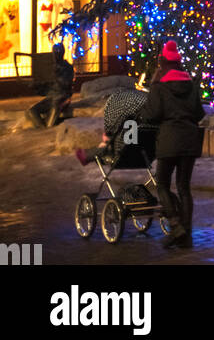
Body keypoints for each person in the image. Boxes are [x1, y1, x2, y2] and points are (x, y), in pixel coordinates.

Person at [139, 40, 205, 249]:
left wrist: (153, 90)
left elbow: (151, 115)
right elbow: (199, 113)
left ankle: (176, 227)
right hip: (190, 140)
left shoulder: (160, 86)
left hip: (169, 140)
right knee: (184, 187)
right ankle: (187, 235)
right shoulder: (191, 84)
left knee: (162, 185)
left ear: (163, 63)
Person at [75, 82, 149, 166]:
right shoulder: (149, 126)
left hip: (126, 157)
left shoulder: (132, 123)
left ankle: (88, 155)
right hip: (143, 157)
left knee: (108, 145)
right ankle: (90, 153)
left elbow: (126, 143)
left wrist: (109, 136)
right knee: (109, 143)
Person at [27, 42, 74, 128]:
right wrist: (36, 86)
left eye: (58, 52)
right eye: (54, 53)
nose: (56, 55)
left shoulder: (67, 67)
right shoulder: (50, 67)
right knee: (32, 111)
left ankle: (46, 130)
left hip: (61, 98)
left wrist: (57, 76)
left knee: (50, 124)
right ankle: (41, 129)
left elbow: (66, 84)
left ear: (62, 53)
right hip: (51, 97)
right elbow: (46, 88)